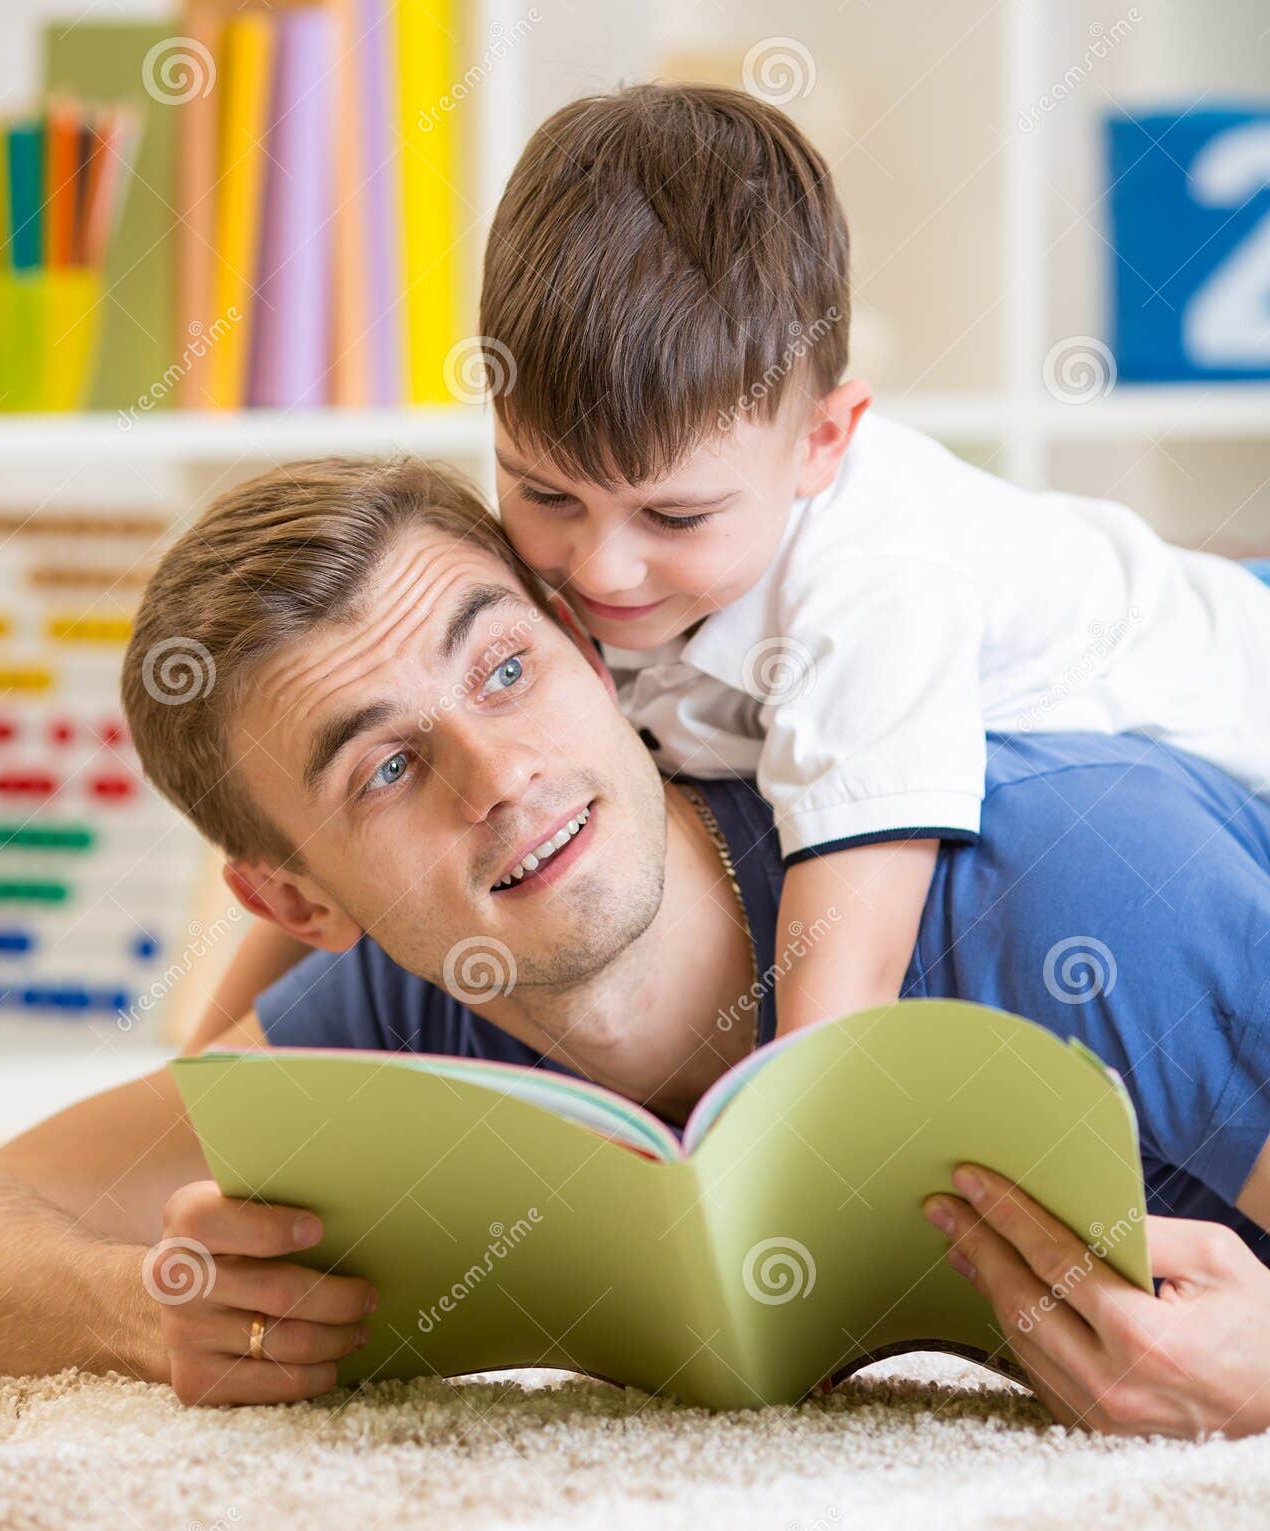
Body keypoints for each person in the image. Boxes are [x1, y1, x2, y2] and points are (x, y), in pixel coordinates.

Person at [0, 457, 1269, 1440]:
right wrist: (139, 1311)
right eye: (386, 766)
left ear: (589, 655)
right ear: (294, 903)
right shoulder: (409, 1007)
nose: (501, 777)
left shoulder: (1086, 882)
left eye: (502, 670)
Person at [477, 82, 1270, 1042]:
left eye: (677, 517)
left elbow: (851, 948)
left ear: (824, 438)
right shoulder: (584, 554)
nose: (600, 571)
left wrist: (778, 1144)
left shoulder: (873, 582)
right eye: (547, 494)